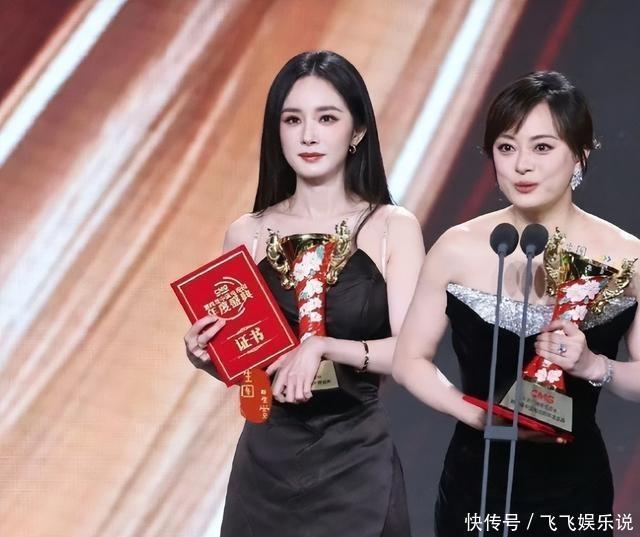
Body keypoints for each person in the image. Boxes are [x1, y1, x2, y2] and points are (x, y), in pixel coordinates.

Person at [183, 50, 424, 537]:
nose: (308, 135)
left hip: (356, 461)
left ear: (357, 131)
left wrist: (325, 347)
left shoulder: (390, 227)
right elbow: (251, 372)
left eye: (327, 118)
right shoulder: (247, 232)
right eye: (293, 119)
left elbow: (411, 352)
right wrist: (209, 357)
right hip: (265, 464)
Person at [392, 71, 640, 536]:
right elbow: (409, 361)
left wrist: (594, 365)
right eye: (506, 148)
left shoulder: (628, 257)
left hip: (573, 492)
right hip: (476, 484)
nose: (521, 165)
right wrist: (472, 412)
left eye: (542, 147)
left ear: (581, 155)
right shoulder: (457, 246)